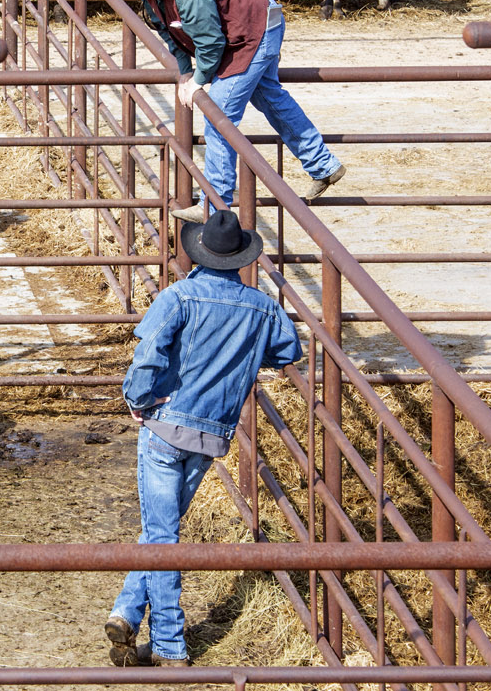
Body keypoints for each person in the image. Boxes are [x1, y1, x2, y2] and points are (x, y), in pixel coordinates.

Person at [104, 209, 302, 667]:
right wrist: (245, 351)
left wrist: (137, 401)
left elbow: (148, 356)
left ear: (199, 252)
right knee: (162, 530)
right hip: (212, 434)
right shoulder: (262, 307)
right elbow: (289, 349)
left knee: (162, 535)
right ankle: (127, 611)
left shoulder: (178, 297)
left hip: (164, 423)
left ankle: (171, 645)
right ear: (239, 258)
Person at [107, 0, 347, 223]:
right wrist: (185, 71)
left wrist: (198, 79)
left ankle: (214, 201)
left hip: (252, 32)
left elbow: (210, 44)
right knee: (269, 97)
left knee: (218, 111)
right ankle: (323, 165)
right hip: (246, 28)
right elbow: (168, 31)